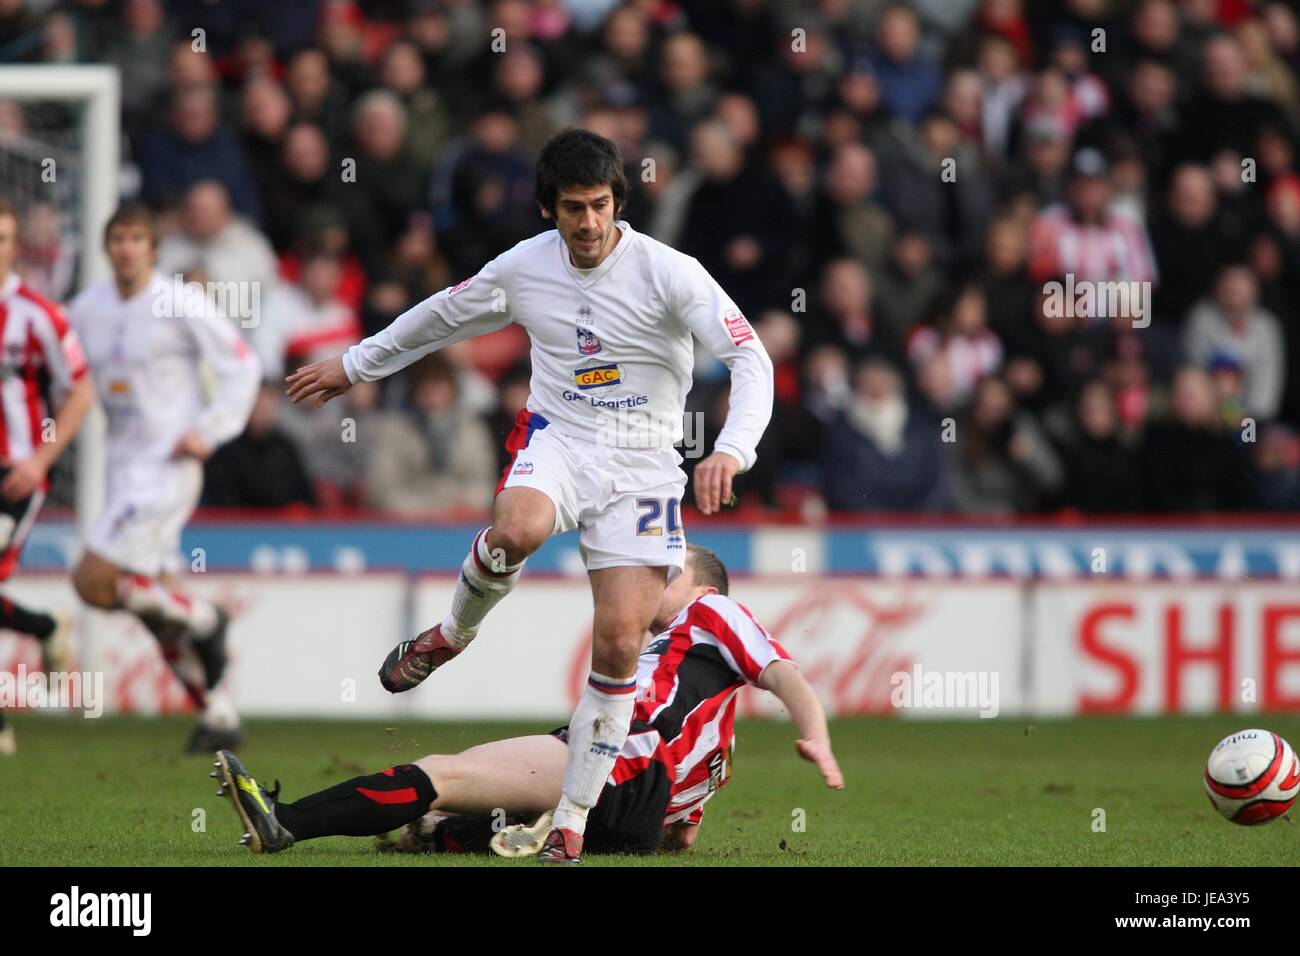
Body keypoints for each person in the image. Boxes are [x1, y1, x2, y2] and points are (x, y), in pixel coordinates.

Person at [286, 128, 774, 862]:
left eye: (601, 206)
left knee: (616, 644)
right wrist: (355, 365)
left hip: (644, 465)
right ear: (548, 209)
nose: (588, 223)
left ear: (619, 203)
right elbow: (441, 316)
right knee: (516, 528)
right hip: (562, 436)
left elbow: (749, 356)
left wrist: (732, 448)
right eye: (573, 208)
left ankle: (572, 821)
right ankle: (451, 633)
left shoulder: (672, 272)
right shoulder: (524, 268)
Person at [211, 545, 842, 857]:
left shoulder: (713, 611)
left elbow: (783, 672)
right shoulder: (715, 731)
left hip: (618, 765)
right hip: (637, 818)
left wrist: (814, 729)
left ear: (703, 585)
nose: (654, 577)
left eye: (669, 572)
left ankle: (285, 822)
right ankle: (437, 836)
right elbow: (681, 838)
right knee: (484, 804)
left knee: (445, 772)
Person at [68, 202, 261, 754]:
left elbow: (242, 366)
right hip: (119, 470)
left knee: (92, 581)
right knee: (153, 613)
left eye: (136, 238)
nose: (126, 247)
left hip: (167, 471)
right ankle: (219, 715)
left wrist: (212, 428)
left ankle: (207, 618)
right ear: (107, 248)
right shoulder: (86, 310)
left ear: (153, 249)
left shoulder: (180, 302)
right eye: (117, 238)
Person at [0, 199, 95, 756]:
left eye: (3, 236)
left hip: (14, 474)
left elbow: (81, 390)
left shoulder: (38, 313)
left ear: (15, 245)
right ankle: (44, 626)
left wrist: (39, 461)